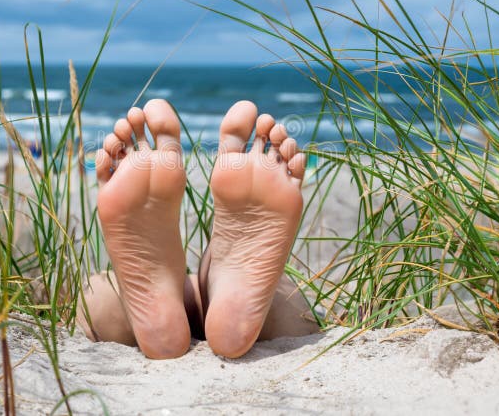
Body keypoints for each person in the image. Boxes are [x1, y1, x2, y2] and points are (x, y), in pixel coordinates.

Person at [76, 100, 318, 359]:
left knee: (95, 299)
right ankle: (218, 275)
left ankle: (150, 296)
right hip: (266, 320)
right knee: (294, 314)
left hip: (119, 315)